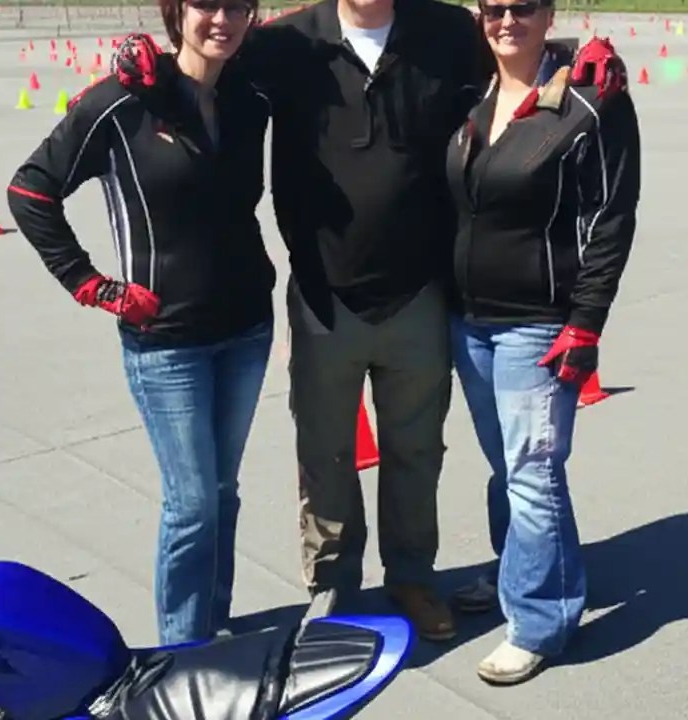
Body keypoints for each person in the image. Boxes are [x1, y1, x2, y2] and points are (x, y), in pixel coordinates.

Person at [115, 0, 490, 641]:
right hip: (324, 296)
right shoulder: (284, 43)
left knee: (417, 450)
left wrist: (578, 76)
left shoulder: (449, 30)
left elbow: (517, 69)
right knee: (325, 455)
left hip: (419, 292)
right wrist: (144, 66)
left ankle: (411, 577)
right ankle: (333, 590)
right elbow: (204, 63)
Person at [5, 0, 275, 647]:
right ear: (175, 11)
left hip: (244, 330)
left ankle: (214, 621)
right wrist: (89, 283)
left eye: (238, 5)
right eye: (206, 4)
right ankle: (181, 652)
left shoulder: (249, 96)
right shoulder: (124, 101)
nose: (223, 18)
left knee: (222, 491)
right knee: (192, 504)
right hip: (167, 345)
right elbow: (30, 190)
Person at [443, 0, 639, 686]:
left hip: (539, 323)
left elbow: (612, 216)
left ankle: (541, 619)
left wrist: (586, 320)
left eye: (522, 7)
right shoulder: (474, 91)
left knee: (533, 471)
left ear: (548, 12)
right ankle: (514, 574)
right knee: (509, 464)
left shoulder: (590, 98)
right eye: (493, 8)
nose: (507, 20)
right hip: (469, 320)